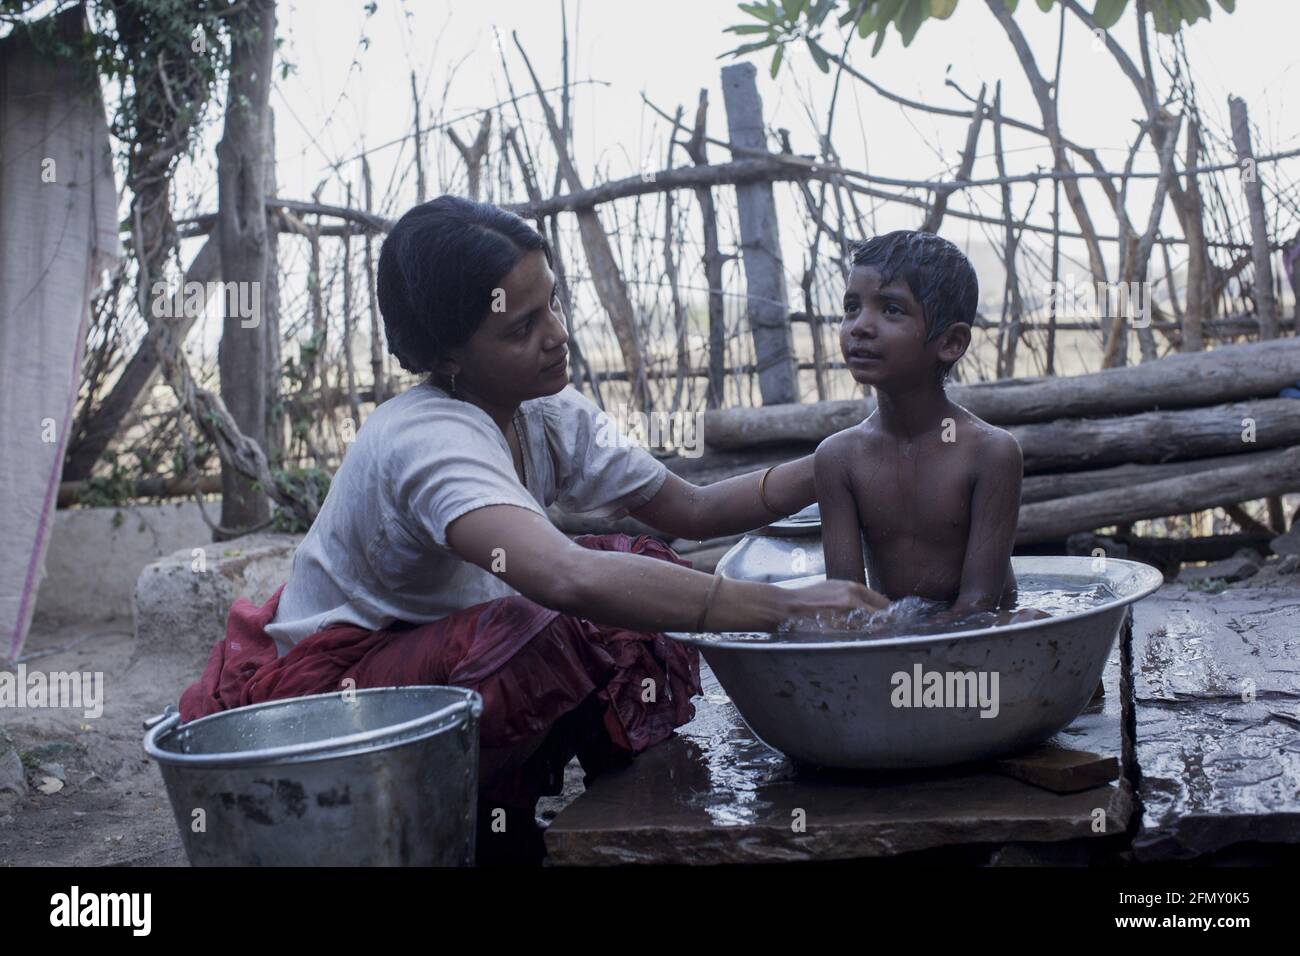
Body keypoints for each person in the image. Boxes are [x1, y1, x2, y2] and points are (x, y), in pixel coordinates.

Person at [179, 195, 887, 864]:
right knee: (555, 619)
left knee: (634, 564)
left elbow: (688, 511)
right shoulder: (426, 439)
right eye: (521, 328)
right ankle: (469, 821)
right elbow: (563, 578)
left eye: (551, 305)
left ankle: (621, 802)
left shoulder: (543, 408)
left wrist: (834, 458)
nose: (556, 337)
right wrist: (786, 608)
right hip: (336, 708)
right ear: (447, 356)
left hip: (439, 664)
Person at [815, 230, 1025, 619]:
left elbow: (979, 606)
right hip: (896, 632)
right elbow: (843, 607)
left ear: (950, 342)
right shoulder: (838, 458)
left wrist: (899, 636)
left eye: (891, 309)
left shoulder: (989, 452)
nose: (860, 326)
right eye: (851, 307)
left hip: (979, 641)